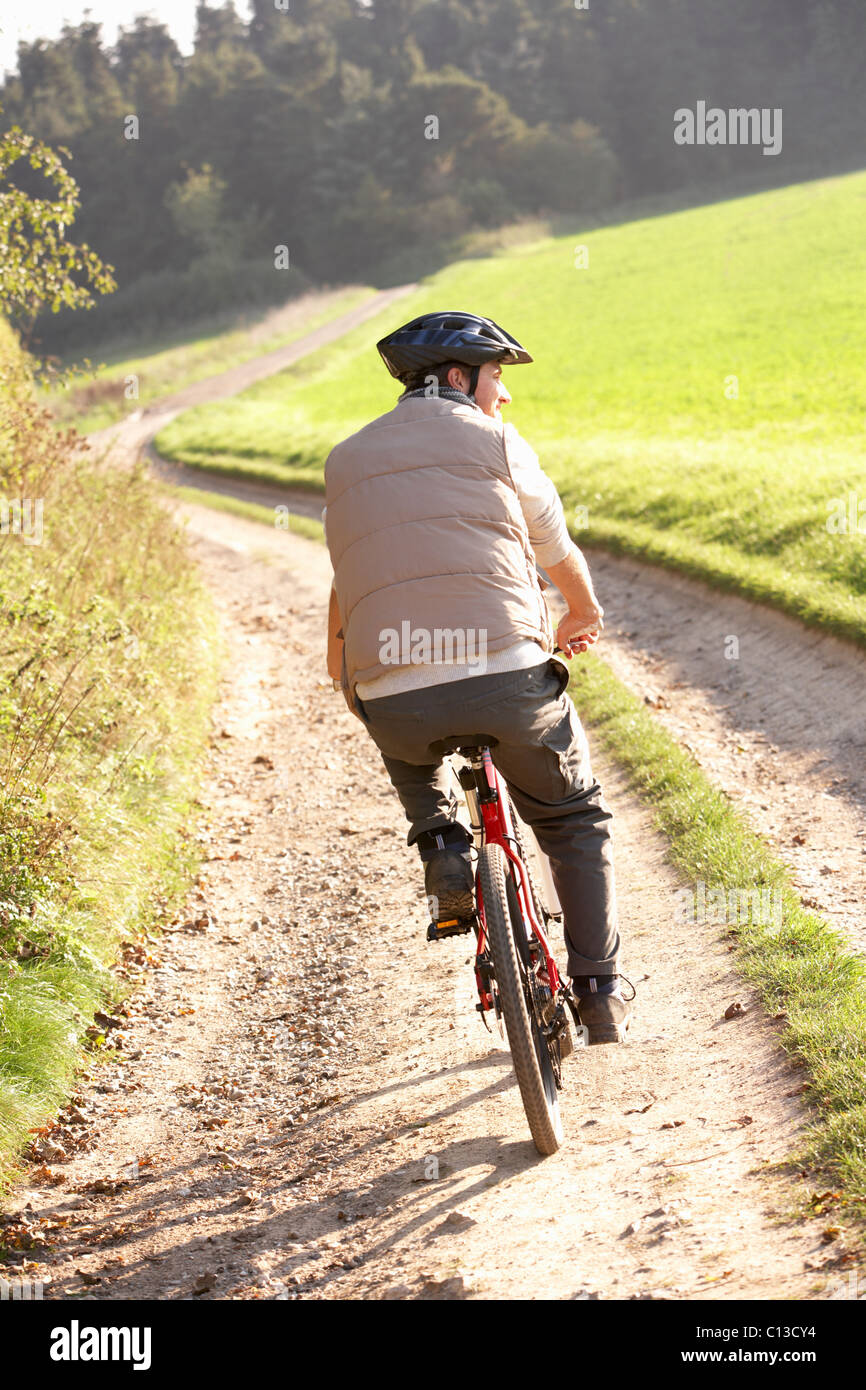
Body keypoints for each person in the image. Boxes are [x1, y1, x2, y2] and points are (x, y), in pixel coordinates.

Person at [323, 311, 630, 1044]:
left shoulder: (345, 459)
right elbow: (554, 549)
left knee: (393, 722)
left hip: (393, 689)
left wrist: (358, 690)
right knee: (571, 819)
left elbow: (347, 586)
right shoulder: (498, 441)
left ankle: (441, 844)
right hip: (507, 678)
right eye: (498, 376)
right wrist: (579, 613)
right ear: (458, 378)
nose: (507, 396)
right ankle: (598, 991)